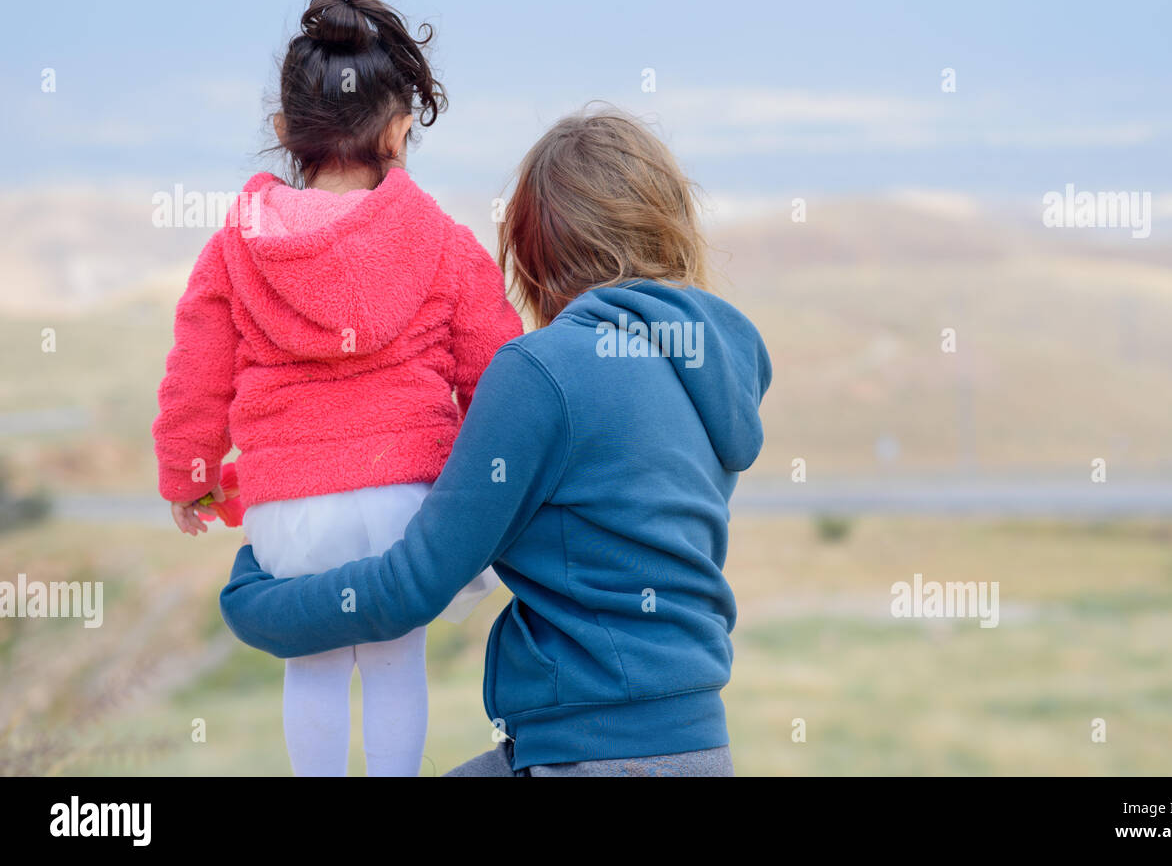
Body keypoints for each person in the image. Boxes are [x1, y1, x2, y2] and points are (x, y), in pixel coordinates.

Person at [220, 107, 772, 776]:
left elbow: (414, 585)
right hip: (698, 750)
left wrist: (258, 600)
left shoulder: (545, 371)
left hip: (590, 757)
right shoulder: (707, 366)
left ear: (536, 249)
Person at [153, 0, 519, 776]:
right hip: (405, 506)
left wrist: (189, 469)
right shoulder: (444, 242)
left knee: (312, 667)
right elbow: (497, 373)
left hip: (289, 511)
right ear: (397, 131)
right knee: (395, 662)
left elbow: (197, 368)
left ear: (286, 129)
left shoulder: (236, 246)